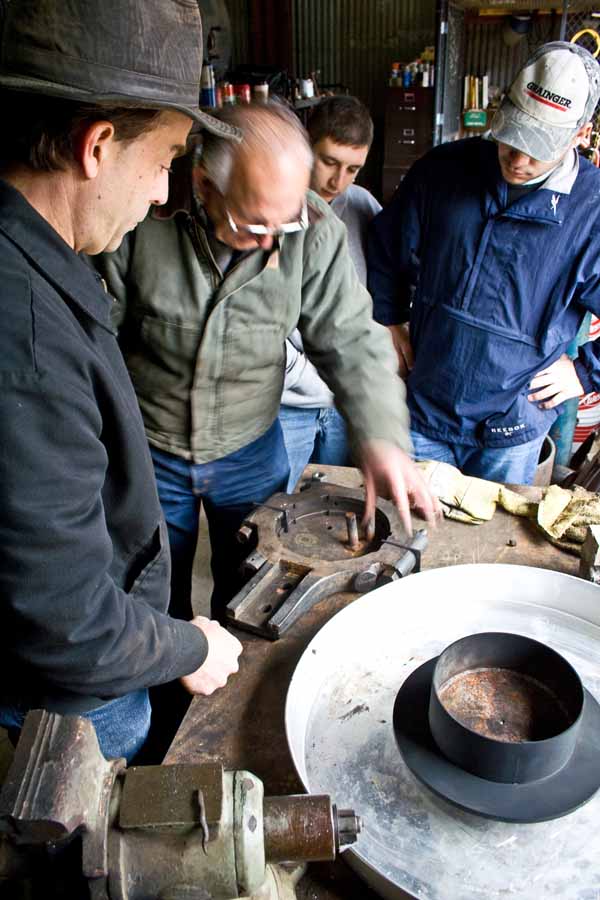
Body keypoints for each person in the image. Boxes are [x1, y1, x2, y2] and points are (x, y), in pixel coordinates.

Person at [0, 0, 242, 764]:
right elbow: (68, 621)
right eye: (165, 158)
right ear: (97, 146)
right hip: (68, 705)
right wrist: (186, 646)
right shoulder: (26, 336)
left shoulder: (37, 254)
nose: (164, 194)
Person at [96, 101, 438, 629]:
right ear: (205, 185)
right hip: (150, 451)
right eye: (253, 224)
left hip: (250, 450)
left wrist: (382, 436)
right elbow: (96, 339)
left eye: (286, 223)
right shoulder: (142, 215)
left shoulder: (309, 227)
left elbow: (350, 338)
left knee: (257, 593)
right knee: (153, 597)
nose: (271, 245)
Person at [369, 42, 600, 485]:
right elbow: (385, 245)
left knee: (489, 540)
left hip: (512, 427)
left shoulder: (591, 210)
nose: (517, 159)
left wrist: (587, 371)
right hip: (425, 407)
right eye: (511, 137)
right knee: (407, 536)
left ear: (579, 134)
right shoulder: (445, 169)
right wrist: (389, 318)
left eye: (537, 148)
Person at [279, 95, 383, 490]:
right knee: (278, 507)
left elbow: (386, 286)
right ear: (306, 144)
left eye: (353, 169)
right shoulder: (271, 206)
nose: (337, 182)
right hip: (287, 404)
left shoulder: (364, 208)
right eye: (329, 162)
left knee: (339, 505)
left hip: (342, 402)